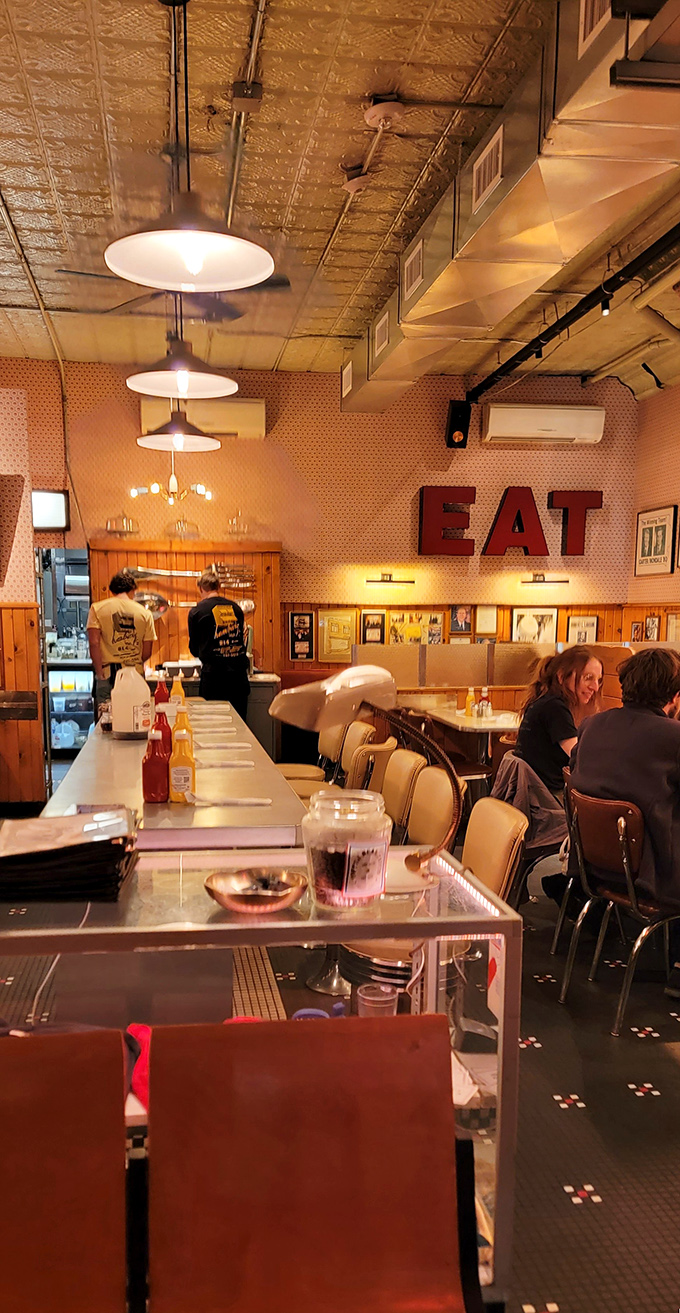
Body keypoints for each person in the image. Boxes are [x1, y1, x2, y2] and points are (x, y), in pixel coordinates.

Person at [570, 648, 680, 917]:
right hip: (653, 876)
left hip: (595, 865)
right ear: (675, 695)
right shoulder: (673, 737)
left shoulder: (591, 725)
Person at [514, 646, 603, 796]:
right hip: (547, 802)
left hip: (538, 795)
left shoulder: (545, 701)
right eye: (588, 677)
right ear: (562, 677)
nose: (595, 687)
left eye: (598, 680)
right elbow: (581, 757)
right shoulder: (554, 708)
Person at [87, 570, 156, 703]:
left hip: (107, 673)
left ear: (112, 590)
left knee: (106, 718)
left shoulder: (97, 609)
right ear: (132, 590)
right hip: (134, 674)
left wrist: (99, 672)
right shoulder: (145, 614)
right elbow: (147, 652)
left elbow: (94, 643)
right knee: (136, 715)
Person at [188, 570, 250, 717]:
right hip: (238, 678)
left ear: (201, 589)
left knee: (213, 725)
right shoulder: (236, 608)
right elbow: (243, 640)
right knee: (239, 725)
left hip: (213, 679)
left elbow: (194, 649)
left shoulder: (197, 611)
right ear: (219, 587)